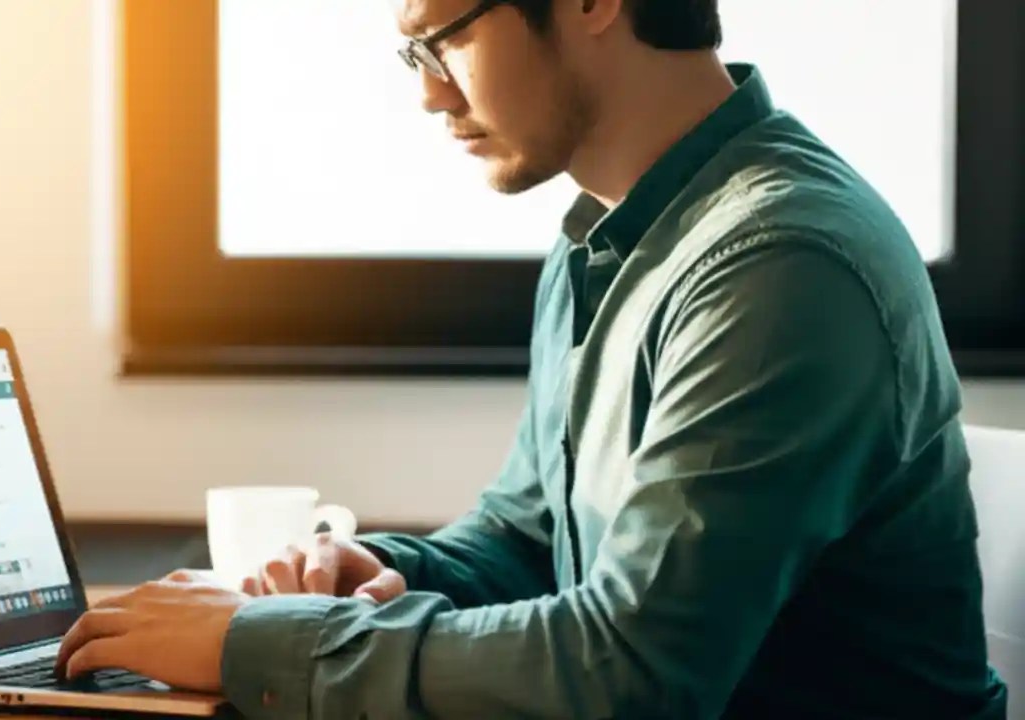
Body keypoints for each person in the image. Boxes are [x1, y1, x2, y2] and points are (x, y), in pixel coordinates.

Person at [56, 0, 1009, 717]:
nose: (430, 92)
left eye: (445, 38)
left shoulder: (779, 267)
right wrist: (380, 570)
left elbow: (635, 669)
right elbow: (527, 542)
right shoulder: (604, 241)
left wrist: (256, 645)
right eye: (414, 54)